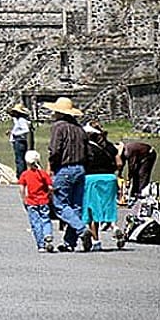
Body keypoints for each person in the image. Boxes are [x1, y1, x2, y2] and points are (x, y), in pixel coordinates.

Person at [44, 96, 91, 252]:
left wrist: (52, 165)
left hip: (64, 169)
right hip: (80, 169)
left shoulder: (59, 127)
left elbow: (55, 150)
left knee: (60, 204)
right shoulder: (80, 129)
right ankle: (70, 243)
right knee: (76, 206)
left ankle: (80, 229)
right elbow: (88, 152)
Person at [82, 123, 120, 251]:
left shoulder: (85, 148)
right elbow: (119, 163)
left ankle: (96, 240)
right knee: (108, 206)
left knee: (92, 210)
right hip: (110, 178)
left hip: (91, 178)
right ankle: (114, 226)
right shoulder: (110, 146)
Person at [17, 150, 55, 253]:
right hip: (43, 200)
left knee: (35, 223)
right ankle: (48, 234)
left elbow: (21, 188)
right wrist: (49, 195)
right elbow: (50, 187)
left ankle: (41, 245)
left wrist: (24, 199)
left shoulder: (25, 175)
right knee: (45, 219)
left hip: (31, 201)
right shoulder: (43, 174)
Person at [119, 139, 157, 203]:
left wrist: (128, 179)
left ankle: (141, 193)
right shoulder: (122, 154)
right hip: (140, 156)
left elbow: (131, 166)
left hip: (149, 154)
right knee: (135, 174)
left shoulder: (128, 151)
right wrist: (119, 174)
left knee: (142, 174)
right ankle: (134, 194)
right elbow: (121, 164)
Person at [7, 104, 32, 177]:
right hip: (18, 140)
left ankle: (20, 175)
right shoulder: (18, 120)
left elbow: (26, 130)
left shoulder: (21, 120)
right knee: (20, 159)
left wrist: (15, 133)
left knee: (20, 160)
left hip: (19, 140)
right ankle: (22, 174)